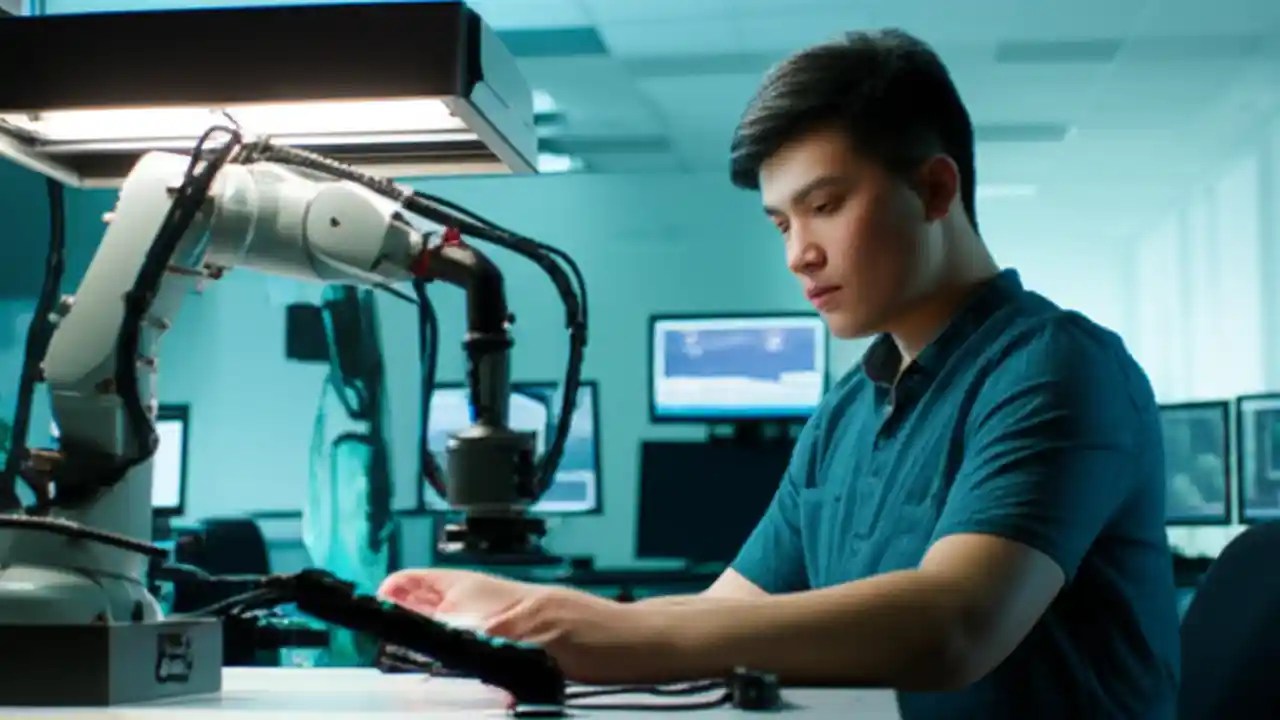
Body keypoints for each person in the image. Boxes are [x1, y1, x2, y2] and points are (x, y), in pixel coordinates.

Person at [379, 28, 1180, 718]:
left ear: (935, 189)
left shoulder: (1056, 367)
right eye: (781, 222)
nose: (798, 252)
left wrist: (587, 628)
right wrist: (511, 622)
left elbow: (955, 625)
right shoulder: (846, 413)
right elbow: (729, 615)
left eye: (825, 205)